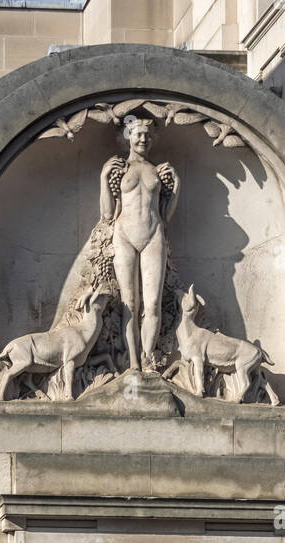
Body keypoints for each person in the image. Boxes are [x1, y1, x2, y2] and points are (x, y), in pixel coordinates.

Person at [100, 116, 180, 372]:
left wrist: (176, 186)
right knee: (130, 304)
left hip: (154, 233)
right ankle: (133, 363)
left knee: (153, 303)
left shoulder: (157, 170)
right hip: (124, 235)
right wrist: (103, 177)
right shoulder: (118, 168)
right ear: (128, 137)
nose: (143, 139)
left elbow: (166, 216)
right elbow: (107, 213)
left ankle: (148, 361)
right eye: (137, 134)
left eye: (147, 134)